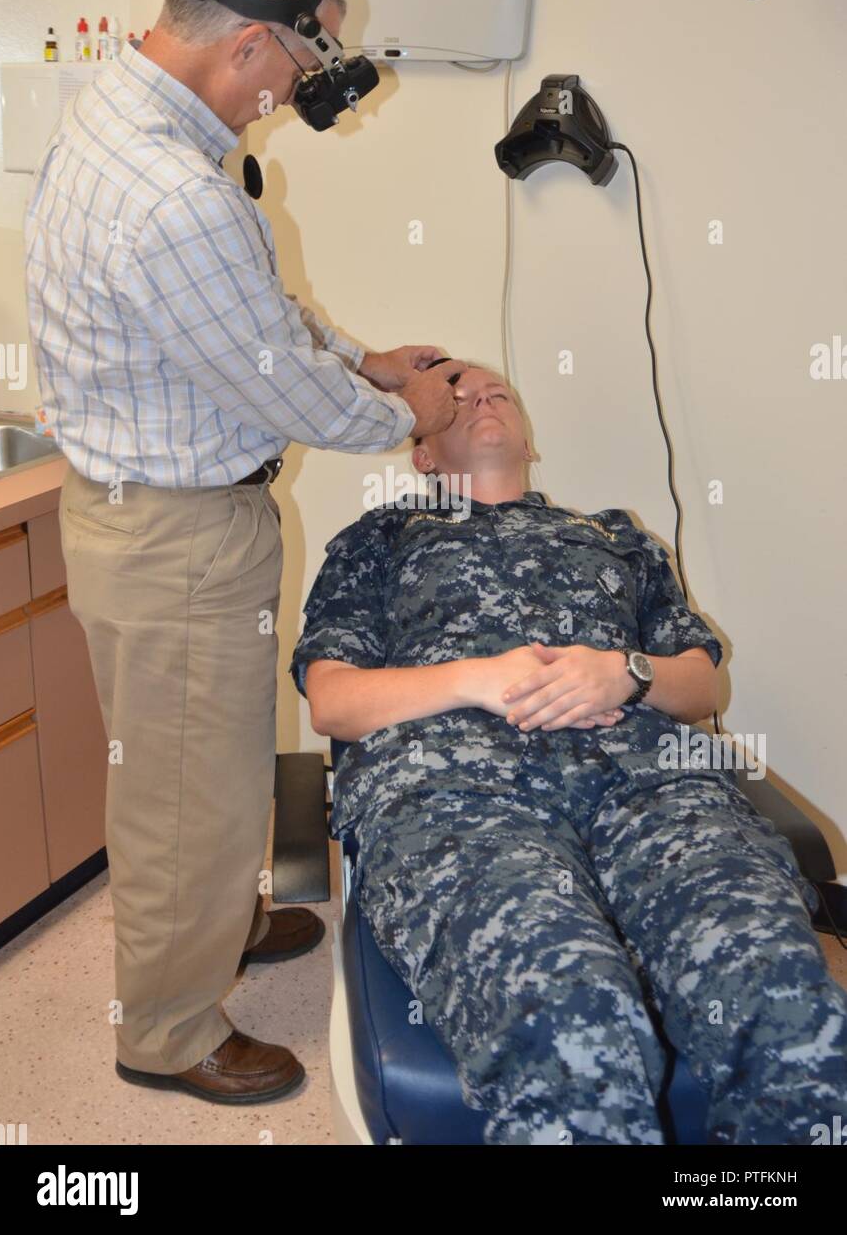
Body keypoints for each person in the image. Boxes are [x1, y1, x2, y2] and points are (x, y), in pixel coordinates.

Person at [23, 0, 465, 1104]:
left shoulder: (121, 110)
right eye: (298, 68)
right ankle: (163, 1031)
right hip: (174, 537)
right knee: (183, 797)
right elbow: (280, 384)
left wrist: (372, 361)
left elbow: (249, 315)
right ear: (252, 47)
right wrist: (412, 416)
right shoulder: (175, 196)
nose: (288, 96)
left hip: (151, 516)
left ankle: (217, 924)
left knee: (202, 770)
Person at [291, 363, 847, 1144]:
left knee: (787, 1004)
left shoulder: (615, 536)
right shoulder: (381, 538)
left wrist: (626, 671)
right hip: (456, 793)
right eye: (454, 394)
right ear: (421, 452)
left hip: (650, 786)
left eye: (497, 392)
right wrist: (477, 678)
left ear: (527, 434)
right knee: (578, 1016)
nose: (481, 396)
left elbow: (703, 687)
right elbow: (334, 700)